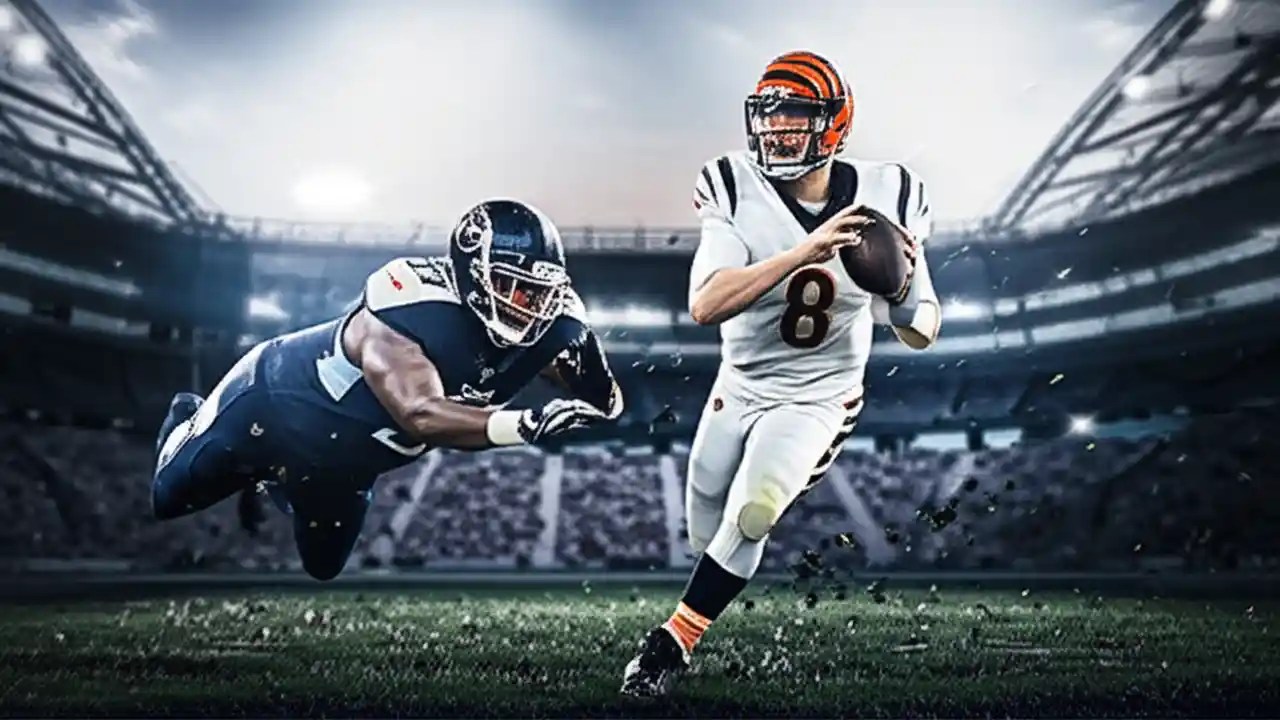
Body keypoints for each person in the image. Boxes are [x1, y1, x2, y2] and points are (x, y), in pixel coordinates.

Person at [621, 50, 941, 697]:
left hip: (819, 396)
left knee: (753, 514)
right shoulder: (733, 184)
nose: (776, 129)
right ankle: (715, 579)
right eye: (767, 115)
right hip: (739, 385)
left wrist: (901, 286)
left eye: (793, 114)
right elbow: (706, 303)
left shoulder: (890, 193)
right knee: (704, 521)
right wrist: (806, 251)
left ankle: (670, 645)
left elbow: (920, 327)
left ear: (833, 124)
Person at [153, 199, 622, 580]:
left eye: (539, 294)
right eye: (512, 287)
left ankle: (279, 478)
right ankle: (188, 417)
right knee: (168, 498)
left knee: (323, 565)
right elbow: (421, 414)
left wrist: (596, 385)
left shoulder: (557, 323)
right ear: (473, 271)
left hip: (346, 461)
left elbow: (604, 399)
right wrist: (527, 424)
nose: (529, 307)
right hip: (271, 404)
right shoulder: (410, 303)